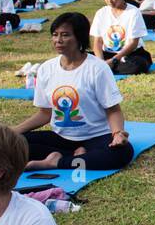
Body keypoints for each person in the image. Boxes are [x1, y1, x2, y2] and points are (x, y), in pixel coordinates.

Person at [13, 12, 135, 172]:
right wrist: (13, 132)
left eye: (65, 35)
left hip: (96, 137)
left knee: (122, 153)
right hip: (61, 138)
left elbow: (113, 110)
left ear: (79, 38)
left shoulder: (98, 68)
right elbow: (44, 113)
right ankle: (77, 156)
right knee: (12, 144)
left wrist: (118, 133)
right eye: (55, 35)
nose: (58, 40)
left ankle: (55, 162)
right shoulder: (46, 69)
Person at [91, 0, 153, 76]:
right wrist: (101, 63)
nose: (110, 1)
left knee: (139, 65)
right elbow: (97, 42)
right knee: (81, 57)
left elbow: (133, 43)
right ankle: (104, 68)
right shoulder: (101, 13)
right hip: (107, 54)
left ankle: (106, 68)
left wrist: (113, 60)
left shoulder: (133, 12)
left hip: (129, 54)